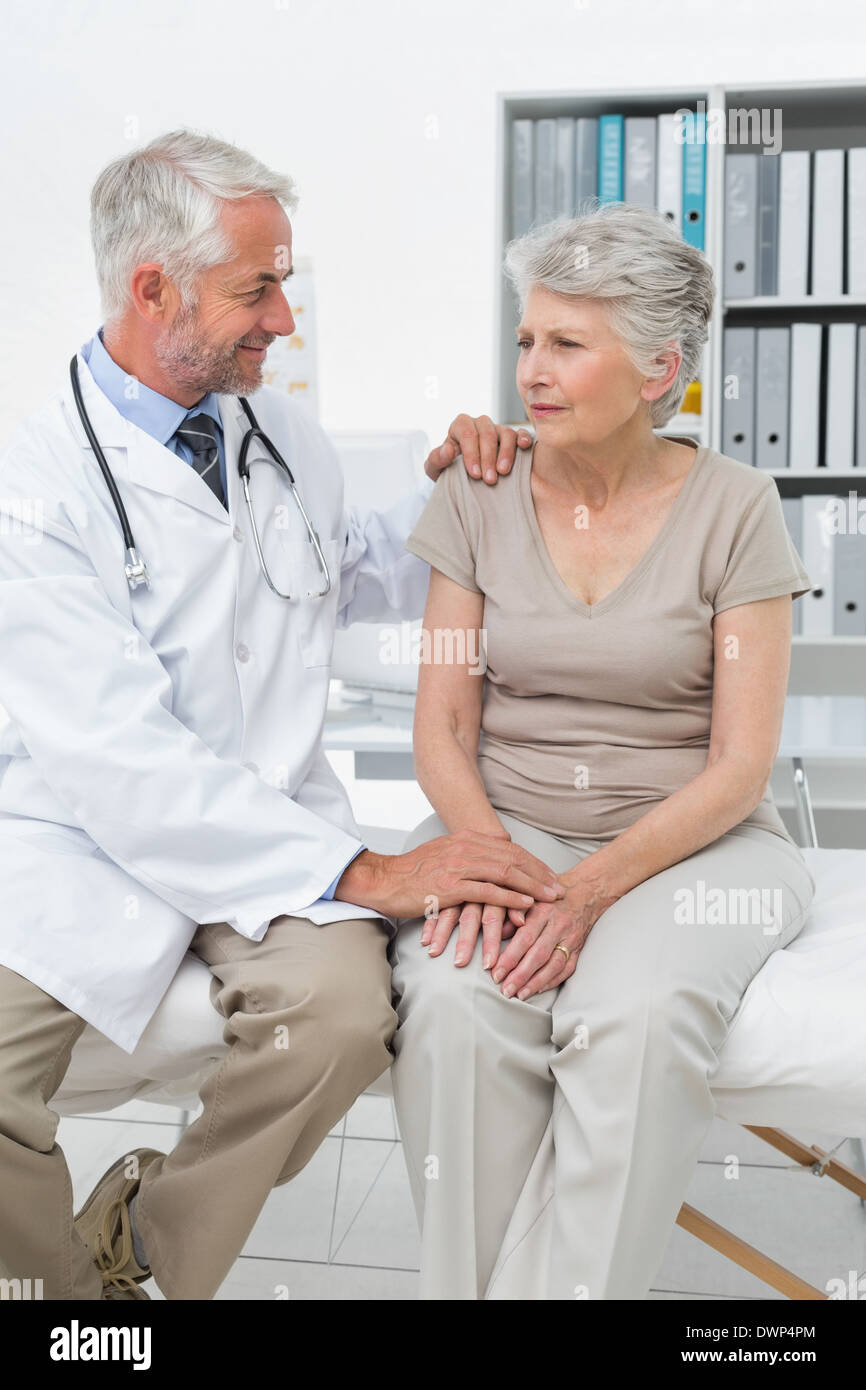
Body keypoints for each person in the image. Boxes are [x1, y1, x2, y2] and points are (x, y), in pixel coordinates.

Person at [0, 127, 557, 1301]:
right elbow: (118, 759)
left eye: (284, 283)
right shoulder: (33, 486)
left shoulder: (279, 436)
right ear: (154, 288)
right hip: (77, 841)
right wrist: (369, 872)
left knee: (343, 1020)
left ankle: (144, 1241)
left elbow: (348, 568)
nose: (284, 320)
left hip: (266, 821)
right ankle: (75, 1300)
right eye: (258, 287)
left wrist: (460, 486)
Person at [389, 201, 817, 1300]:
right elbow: (440, 725)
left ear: (657, 369)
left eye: (566, 344)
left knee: (630, 1021)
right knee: (448, 1008)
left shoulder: (736, 508)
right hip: (505, 822)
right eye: (526, 338)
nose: (529, 367)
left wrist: (582, 894)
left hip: (693, 843)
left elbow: (737, 765)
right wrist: (484, 857)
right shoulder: (473, 494)